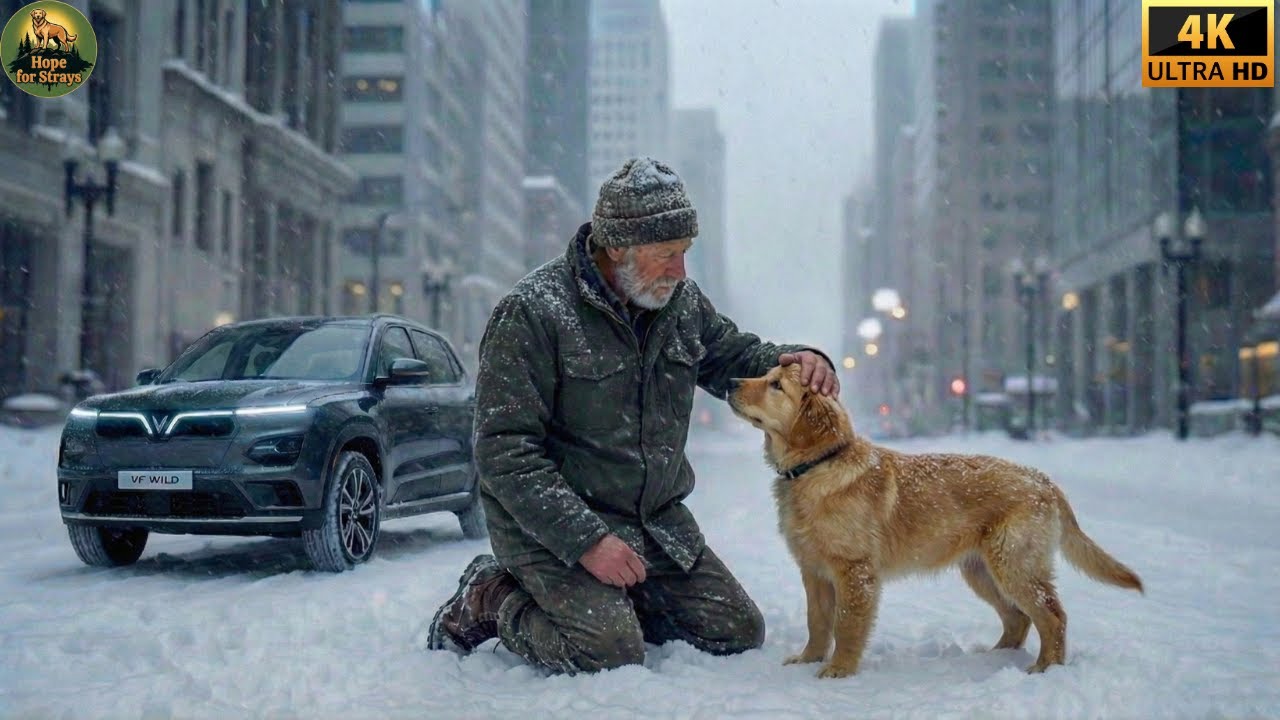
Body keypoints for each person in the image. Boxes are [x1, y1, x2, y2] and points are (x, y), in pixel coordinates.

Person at [426, 156, 839, 674]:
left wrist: (803, 357)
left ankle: (613, 600)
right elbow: (504, 451)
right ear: (616, 246)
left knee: (735, 631)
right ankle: (491, 597)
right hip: (556, 528)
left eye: (684, 253)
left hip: (653, 523)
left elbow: (738, 356)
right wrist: (587, 542)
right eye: (666, 254)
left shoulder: (681, 304)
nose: (680, 271)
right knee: (607, 652)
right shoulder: (533, 312)